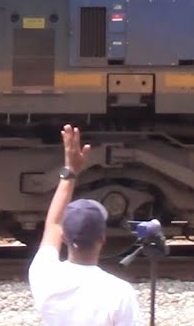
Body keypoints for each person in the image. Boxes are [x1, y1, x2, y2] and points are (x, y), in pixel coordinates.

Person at [28, 124, 139, 325]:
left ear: (64, 237)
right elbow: (54, 225)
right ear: (103, 238)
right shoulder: (120, 293)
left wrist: (69, 172)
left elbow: (53, 224)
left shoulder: (44, 276)